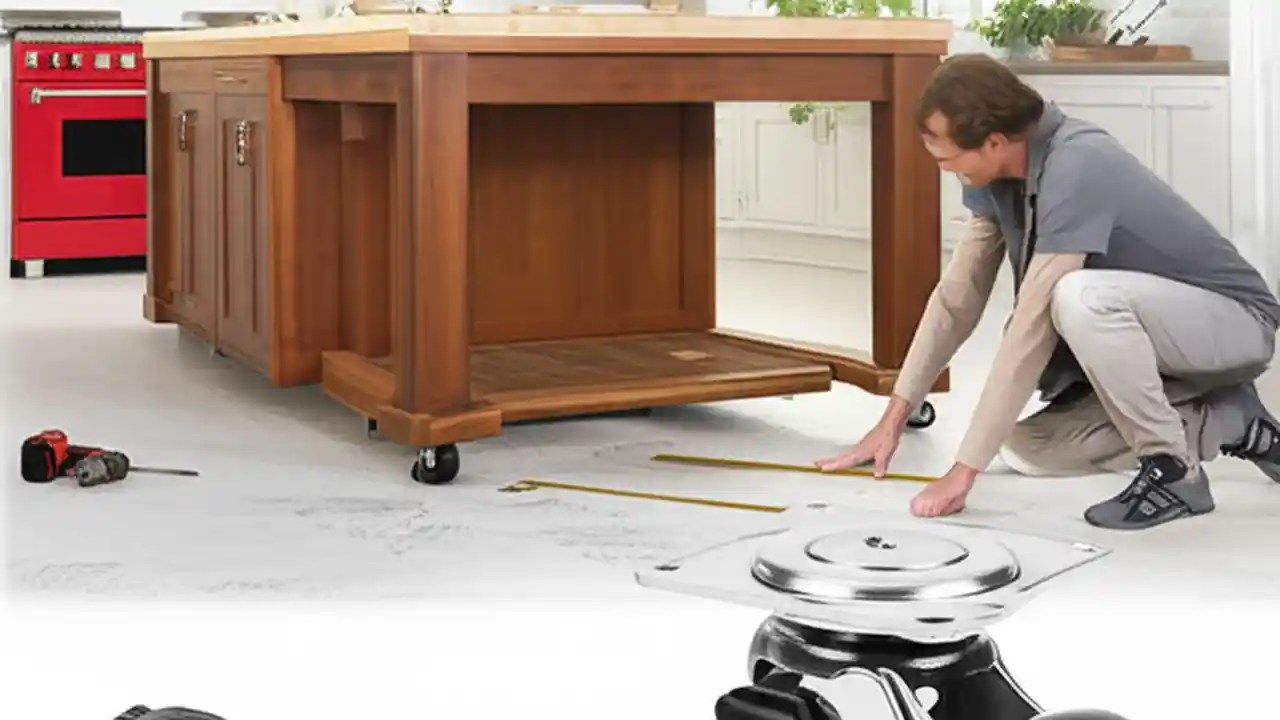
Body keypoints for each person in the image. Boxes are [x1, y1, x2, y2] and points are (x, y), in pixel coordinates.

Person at [814, 53, 1280, 531]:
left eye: (947, 157)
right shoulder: (997, 177)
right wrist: (894, 415)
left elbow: (1031, 325)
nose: (943, 169)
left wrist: (962, 472)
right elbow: (958, 298)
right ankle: (1231, 420)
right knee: (1024, 449)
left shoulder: (1079, 161)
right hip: (1149, 335)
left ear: (995, 142)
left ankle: (1173, 470)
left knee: (1077, 298)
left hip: (1235, 324)